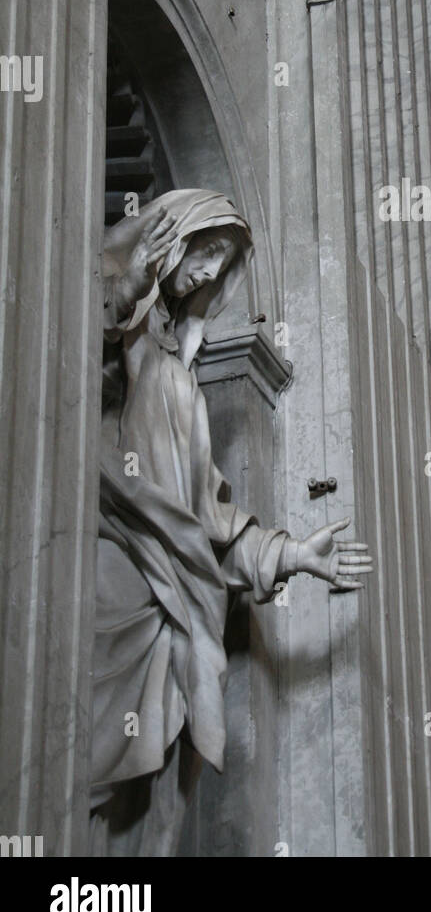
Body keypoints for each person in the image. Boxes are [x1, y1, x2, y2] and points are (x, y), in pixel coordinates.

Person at [90, 189, 371, 855]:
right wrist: (130, 271)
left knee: (147, 788)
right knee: (85, 762)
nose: (212, 274)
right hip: (114, 570)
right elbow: (92, 312)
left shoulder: (172, 368)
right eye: (207, 251)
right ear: (175, 235)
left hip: (171, 598)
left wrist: (293, 555)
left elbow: (206, 513)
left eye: (224, 262)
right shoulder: (126, 339)